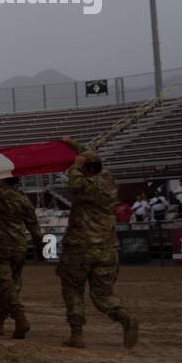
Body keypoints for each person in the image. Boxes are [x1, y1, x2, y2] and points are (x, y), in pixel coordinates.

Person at [57, 138, 137, 349]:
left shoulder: (85, 185)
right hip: (108, 248)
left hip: (80, 248)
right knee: (103, 294)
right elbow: (93, 159)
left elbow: (74, 184)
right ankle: (123, 316)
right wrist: (74, 145)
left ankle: (77, 335)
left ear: (85, 169)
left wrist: (75, 165)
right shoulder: (108, 181)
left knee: (73, 289)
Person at [0, 178, 41, 339]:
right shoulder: (23, 199)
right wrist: (39, 248)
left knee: (5, 285)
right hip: (19, 246)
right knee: (12, 284)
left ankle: (20, 317)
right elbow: (35, 229)